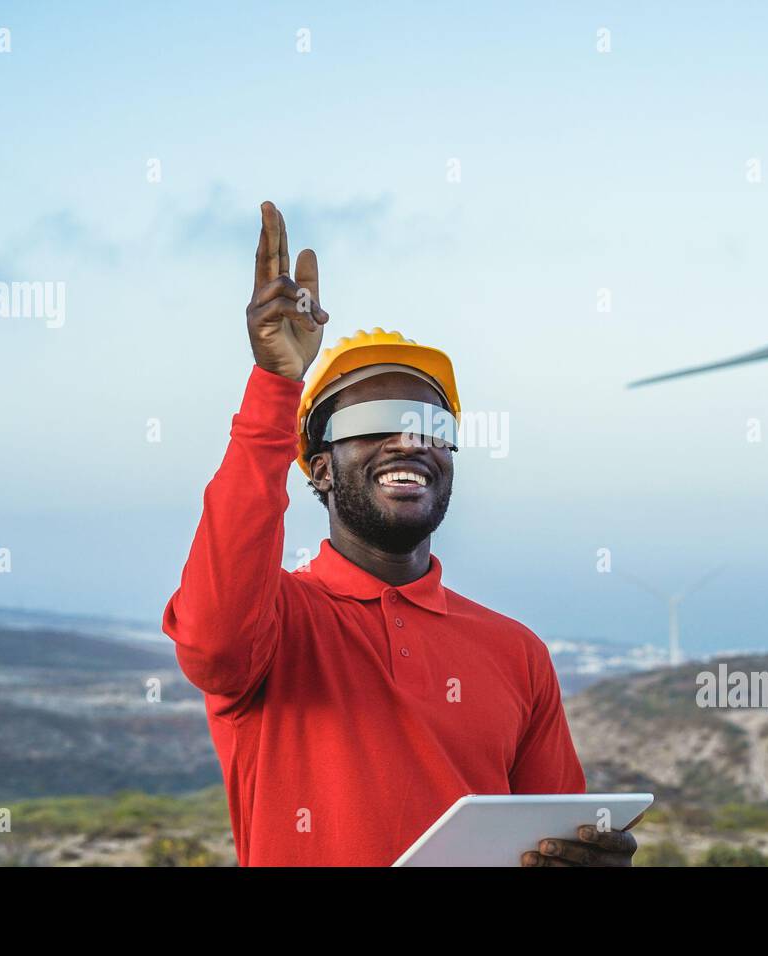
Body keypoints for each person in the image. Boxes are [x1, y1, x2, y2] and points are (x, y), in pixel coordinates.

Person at [163, 201, 642, 866]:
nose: (410, 439)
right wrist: (276, 385)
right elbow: (211, 646)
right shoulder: (272, 626)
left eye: (432, 425)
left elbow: (552, 836)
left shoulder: (516, 651)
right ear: (321, 468)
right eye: (377, 420)